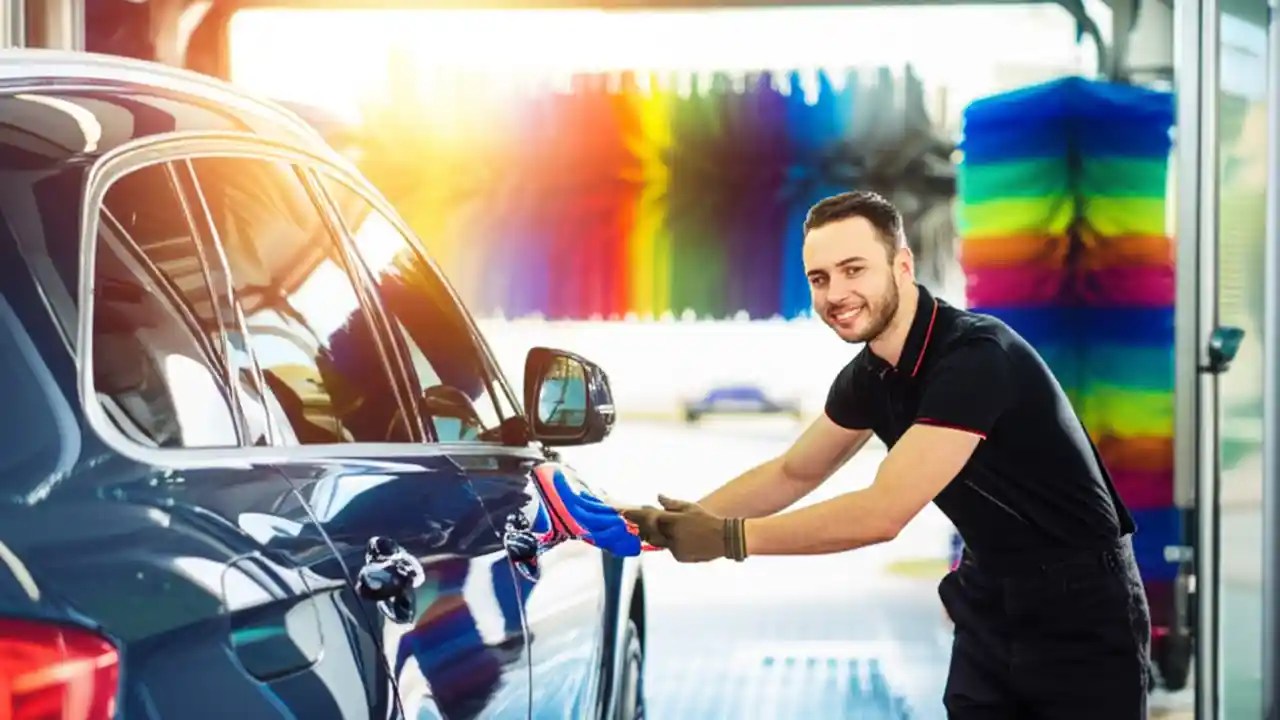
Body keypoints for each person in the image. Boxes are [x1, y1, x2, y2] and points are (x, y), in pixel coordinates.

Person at [621, 190, 1152, 718]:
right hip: (991, 593)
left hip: (1081, 602)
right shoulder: (869, 377)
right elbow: (792, 471)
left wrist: (729, 538)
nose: (835, 293)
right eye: (819, 278)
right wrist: (675, 523)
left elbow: (883, 512)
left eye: (854, 269)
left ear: (902, 265)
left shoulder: (976, 357)